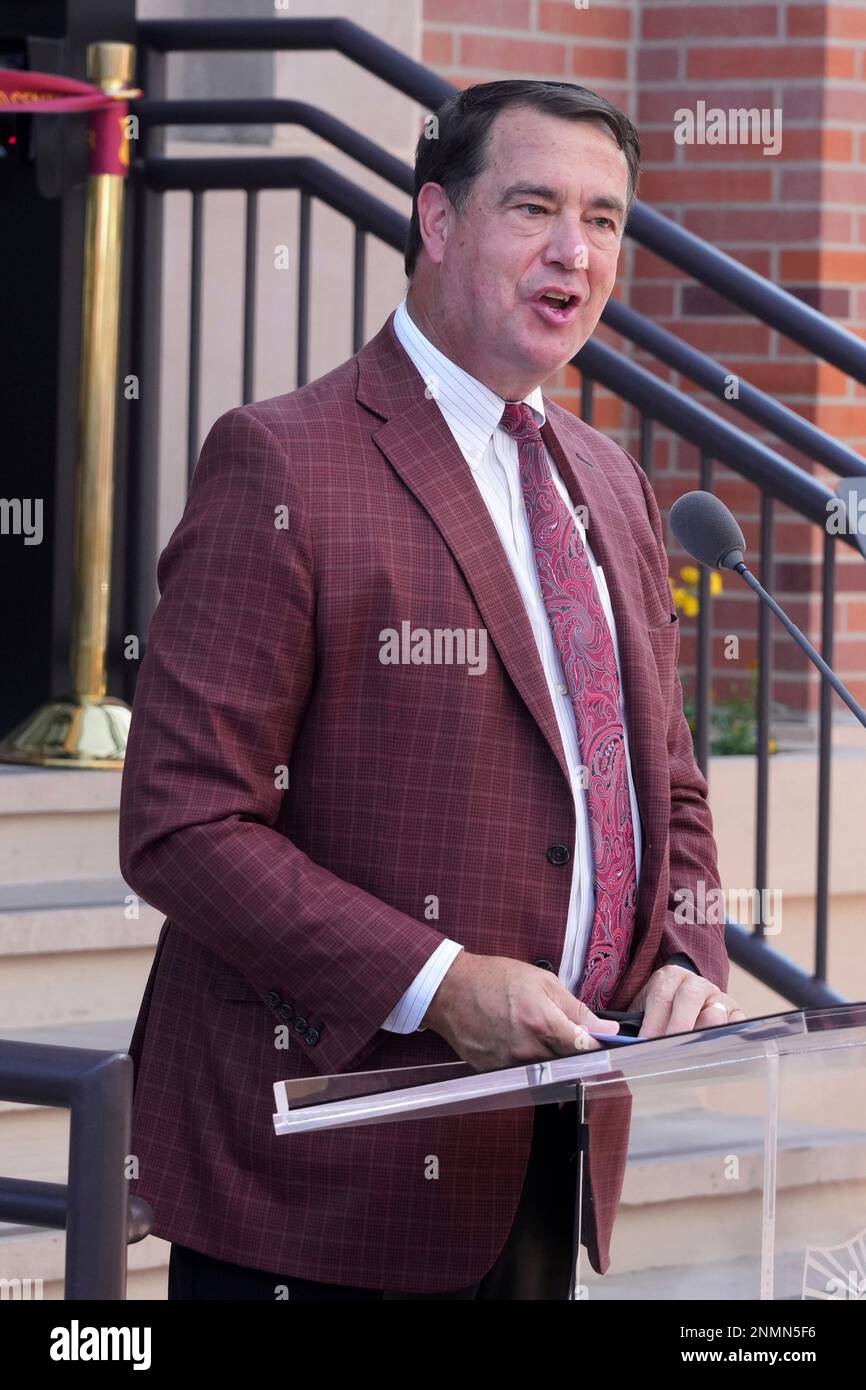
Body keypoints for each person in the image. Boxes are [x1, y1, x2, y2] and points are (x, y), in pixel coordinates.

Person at [120, 79, 743, 1301]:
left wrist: (684, 943)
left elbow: (658, 776)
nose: (575, 250)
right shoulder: (281, 459)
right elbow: (183, 825)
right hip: (318, 1181)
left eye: (605, 218)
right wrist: (442, 982)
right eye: (533, 207)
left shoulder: (609, 481)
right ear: (436, 222)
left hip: (536, 1161)